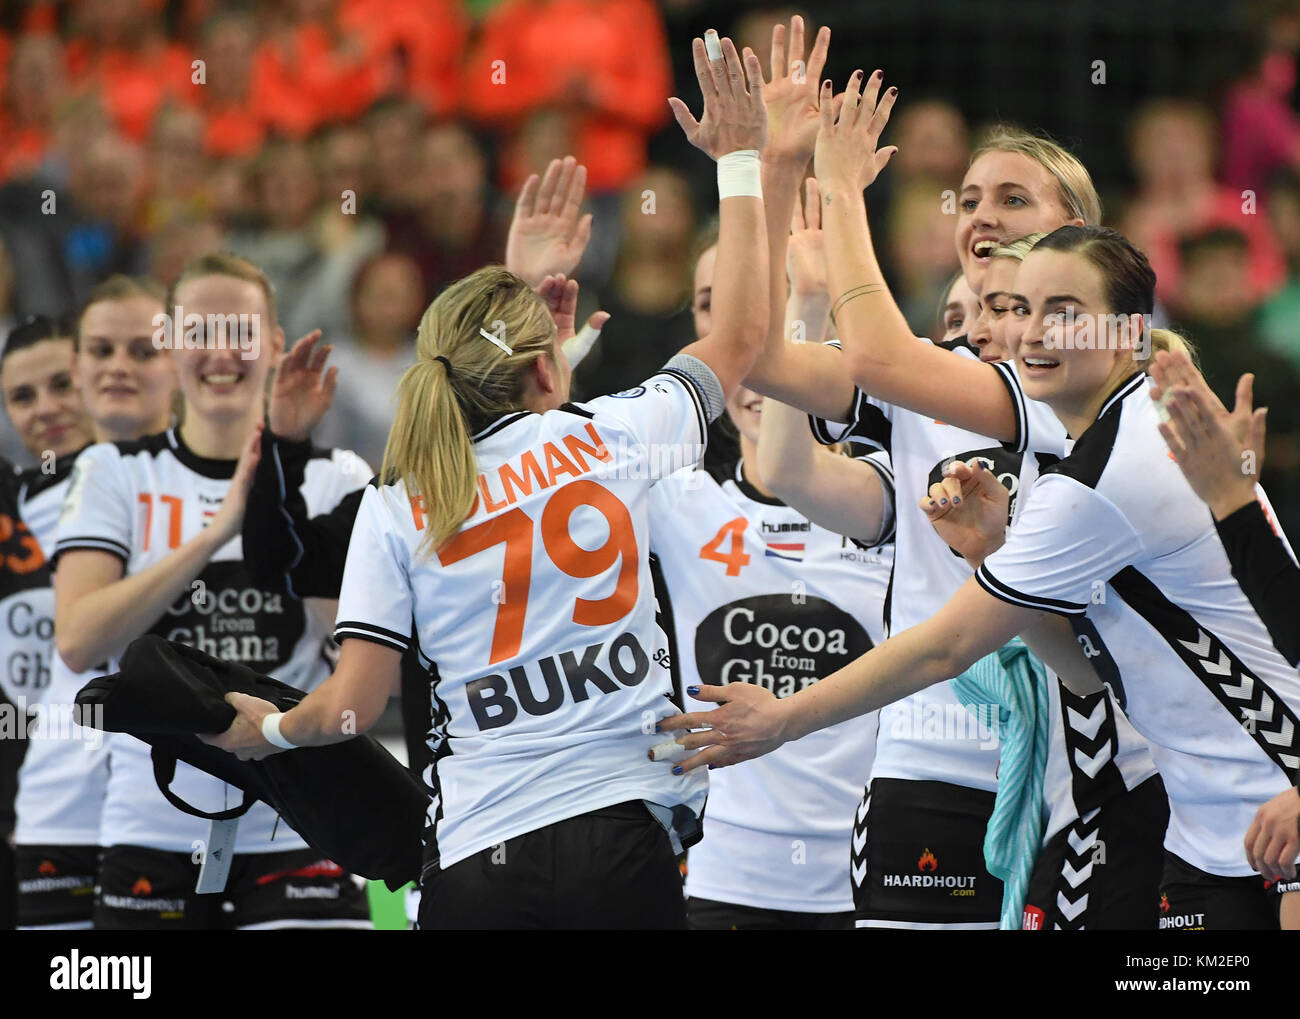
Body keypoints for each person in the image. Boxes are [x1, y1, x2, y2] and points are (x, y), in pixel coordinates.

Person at [205, 31, 772, 932]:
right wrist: (741, 160)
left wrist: (262, 732)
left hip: (478, 858)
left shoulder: (399, 503)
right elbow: (742, 334)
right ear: (551, 368)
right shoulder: (617, 432)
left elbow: (351, 708)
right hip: (624, 835)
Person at [664, 223, 1300, 930]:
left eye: (1064, 311)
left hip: (1280, 810)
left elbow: (947, 645)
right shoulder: (1104, 450)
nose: (1032, 332)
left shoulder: (1115, 466)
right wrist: (992, 552)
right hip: (1207, 836)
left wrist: (786, 716)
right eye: (1021, 309)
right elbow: (1089, 673)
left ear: (1127, 333)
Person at [51, 253, 375, 930]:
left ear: (276, 345)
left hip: (301, 826)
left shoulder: (336, 475)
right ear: (169, 345)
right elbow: (80, 641)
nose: (220, 352)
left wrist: (277, 509)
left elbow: (371, 660)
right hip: (152, 828)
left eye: (241, 331)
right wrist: (215, 532)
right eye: (199, 332)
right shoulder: (114, 470)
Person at [11, 277, 176, 930]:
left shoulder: (210, 473)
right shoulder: (20, 504)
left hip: (178, 801)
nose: (47, 406)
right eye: (22, 395)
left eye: (140, 351)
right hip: (64, 799)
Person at [0, 314, 94, 930]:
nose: (46, 409)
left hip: (161, 810)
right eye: (23, 397)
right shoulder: (9, 510)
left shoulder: (166, 492)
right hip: (34, 821)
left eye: (63, 384)